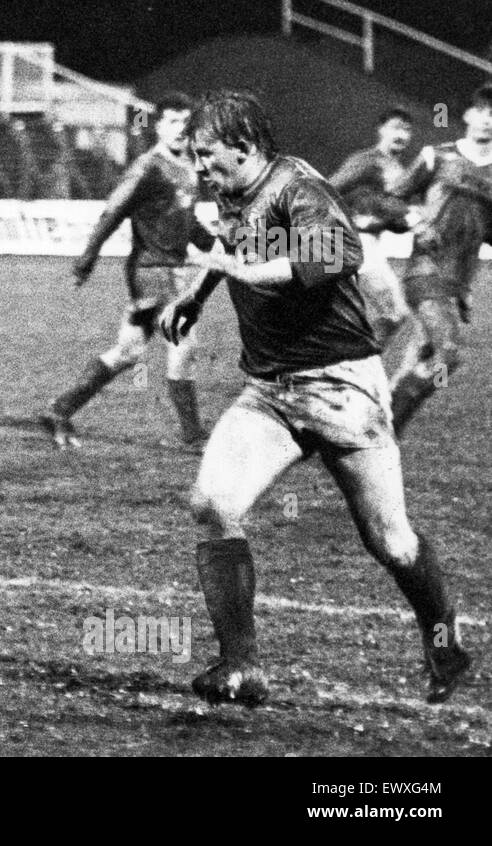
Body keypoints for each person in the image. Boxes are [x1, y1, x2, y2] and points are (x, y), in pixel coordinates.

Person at [157, 90, 470, 707]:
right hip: (270, 391)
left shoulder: (299, 186)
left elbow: (338, 254)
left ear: (244, 147)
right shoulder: (230, 189)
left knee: (391, 540)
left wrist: (247, 273)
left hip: (342, 388)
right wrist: (197, 292)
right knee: (213, 503)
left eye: (205, 154)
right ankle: (240, 665)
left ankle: (443, 642)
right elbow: (230, 246)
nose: (197, 167)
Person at [41, 93, 215, 452]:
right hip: (151, 270)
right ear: (158, 126)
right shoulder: (148, 166)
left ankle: (61, 409)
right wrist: (87, 257)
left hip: (170, 269)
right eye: (172, 121)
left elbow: (187, 217)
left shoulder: (190, 166)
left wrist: (216, 244)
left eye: (186, 121)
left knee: (128, 352)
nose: (181, 129)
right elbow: (113, 211)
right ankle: (194, 435)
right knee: (185, 343)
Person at [381, 84, 492, 436]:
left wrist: (466, 286)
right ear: (468, 115)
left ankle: (379, 413)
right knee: (449, 353)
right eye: (483, 112)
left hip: (457, 282)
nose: (489, 121)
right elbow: (390, 199)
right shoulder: (437, 156)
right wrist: (414, 220)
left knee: (425, 354)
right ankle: (388, 426)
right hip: (424, 272)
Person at [326, 107, 414, 346]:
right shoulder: (367, 161)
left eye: (407, 129)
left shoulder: (399, 170)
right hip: (353, 243)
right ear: (381, 129)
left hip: (368, 245)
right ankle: (355, 366)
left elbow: (390, 216)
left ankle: (351, 364)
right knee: (394, 311)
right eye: (395, 127)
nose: (401, 134)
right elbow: (329, 189)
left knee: (394, 312)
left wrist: (401, 222)